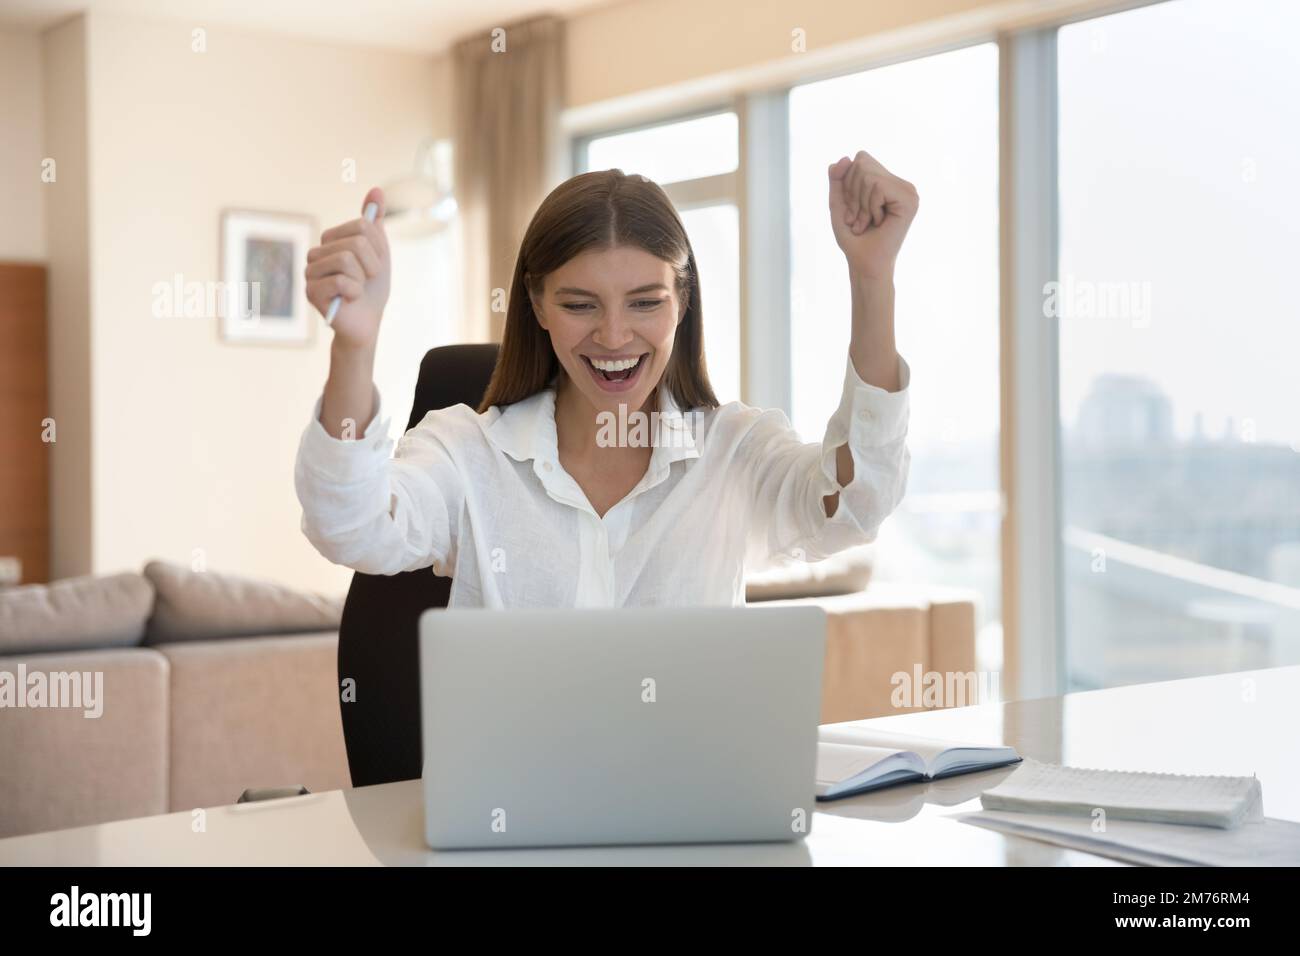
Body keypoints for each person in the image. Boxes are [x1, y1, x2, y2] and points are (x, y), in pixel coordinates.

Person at [294, 152, 916, 607]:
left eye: (645, 303)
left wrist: (872, 279)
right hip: (513, 790)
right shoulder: (468, 455)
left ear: (682, 302)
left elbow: (853, 508)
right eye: (580, 305)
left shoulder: (732, 452)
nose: (615, 337)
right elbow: (352, 527)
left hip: (688, 788)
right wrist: (355, 345)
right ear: (537, 306)